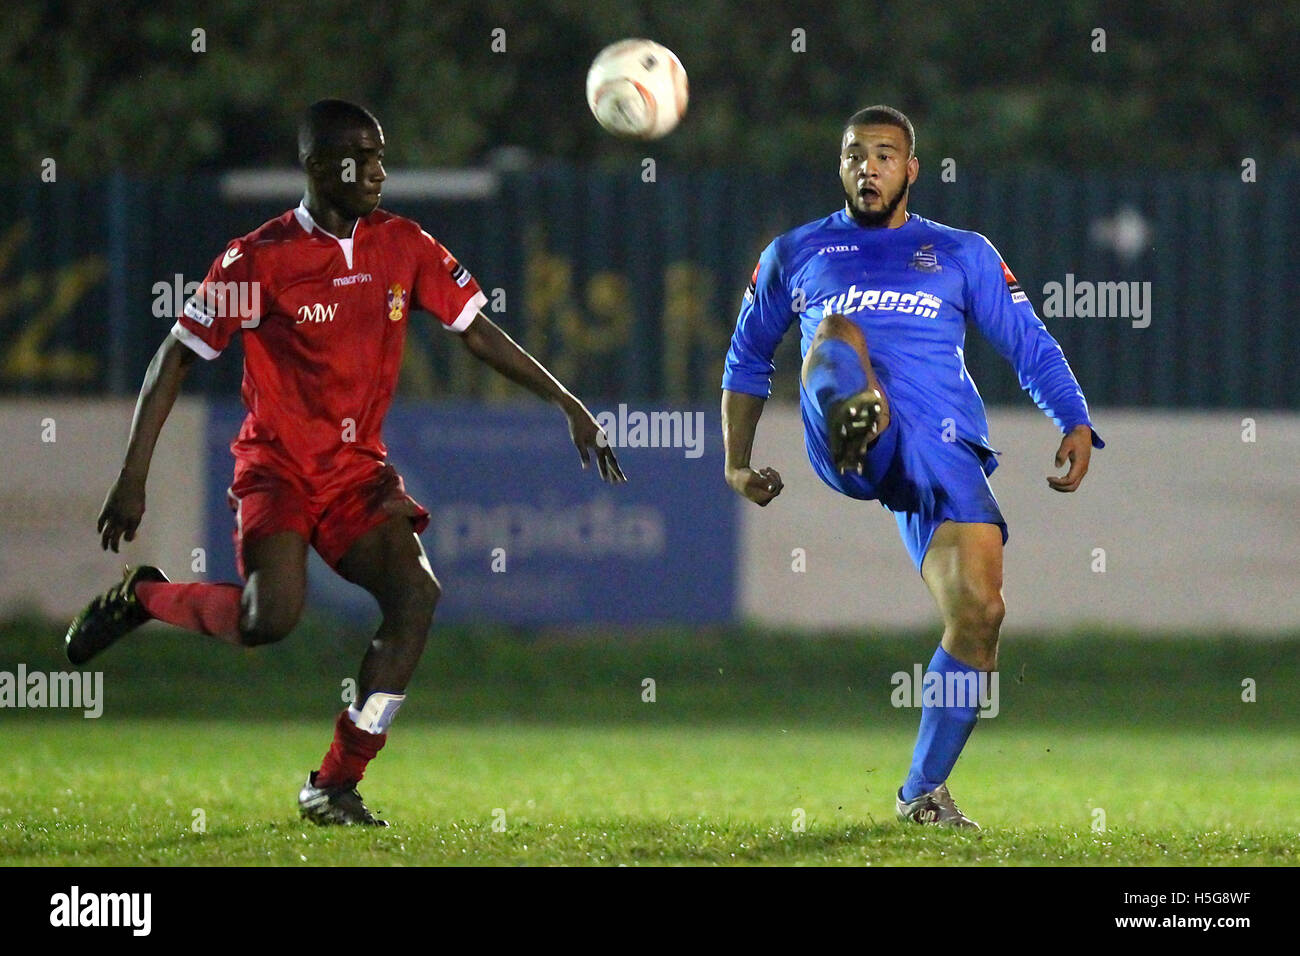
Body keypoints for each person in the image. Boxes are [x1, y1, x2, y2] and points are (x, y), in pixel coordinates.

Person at [66, 99, 624, 827]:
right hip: (278, 470)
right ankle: (145, 597)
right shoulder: (260, 259)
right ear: (318, 166)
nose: (380, 171)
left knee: (416, 597)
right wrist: (133, 473)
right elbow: (176, 355)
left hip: (357, 473)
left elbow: (478, 334)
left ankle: (335, 782)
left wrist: (567, 402)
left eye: (383, 154)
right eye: (364, 155)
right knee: (270, 622)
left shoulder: (404, 246)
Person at [721, 105, 1101, 828]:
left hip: (941, 448)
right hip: (846, 437)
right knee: (835, 331)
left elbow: (1027, 341)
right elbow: (746, 358)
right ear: (840, 166)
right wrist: (737, 464)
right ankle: (856, 422)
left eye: (885, 155)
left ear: (911, 169)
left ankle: (921, 793)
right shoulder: (796, 252)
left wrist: (1073, 417)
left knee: (981, 614)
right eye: (855, 154)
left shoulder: (960, 252)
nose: (869, 167)